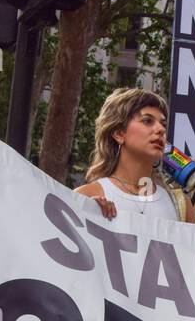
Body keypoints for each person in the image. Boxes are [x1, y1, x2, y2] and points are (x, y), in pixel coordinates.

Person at [74, 88, 185, 224]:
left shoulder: (180, 205)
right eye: (147, 121)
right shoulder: (85, 197)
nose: (161, 129)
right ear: (119, 133)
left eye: (163, 124)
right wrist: (85, 217)